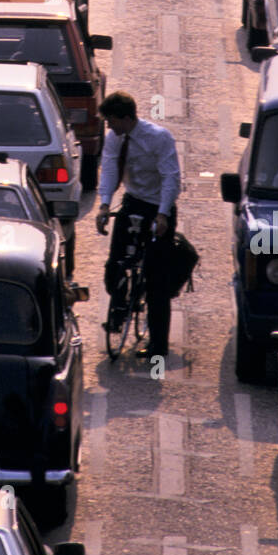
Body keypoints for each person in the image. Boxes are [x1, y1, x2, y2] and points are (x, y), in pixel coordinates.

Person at [96, 91, 181, 359]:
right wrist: (104, 204)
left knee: (157, 280)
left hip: (158, 206)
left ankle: (158, 344)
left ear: (126, 118)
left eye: (111, 121)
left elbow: (171, 177)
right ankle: (119, 308)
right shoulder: (115, 138)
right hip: (133, 201)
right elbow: (110, 169)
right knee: (115, 262)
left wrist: (163, 214)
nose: (108, 127)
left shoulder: (159, 138)